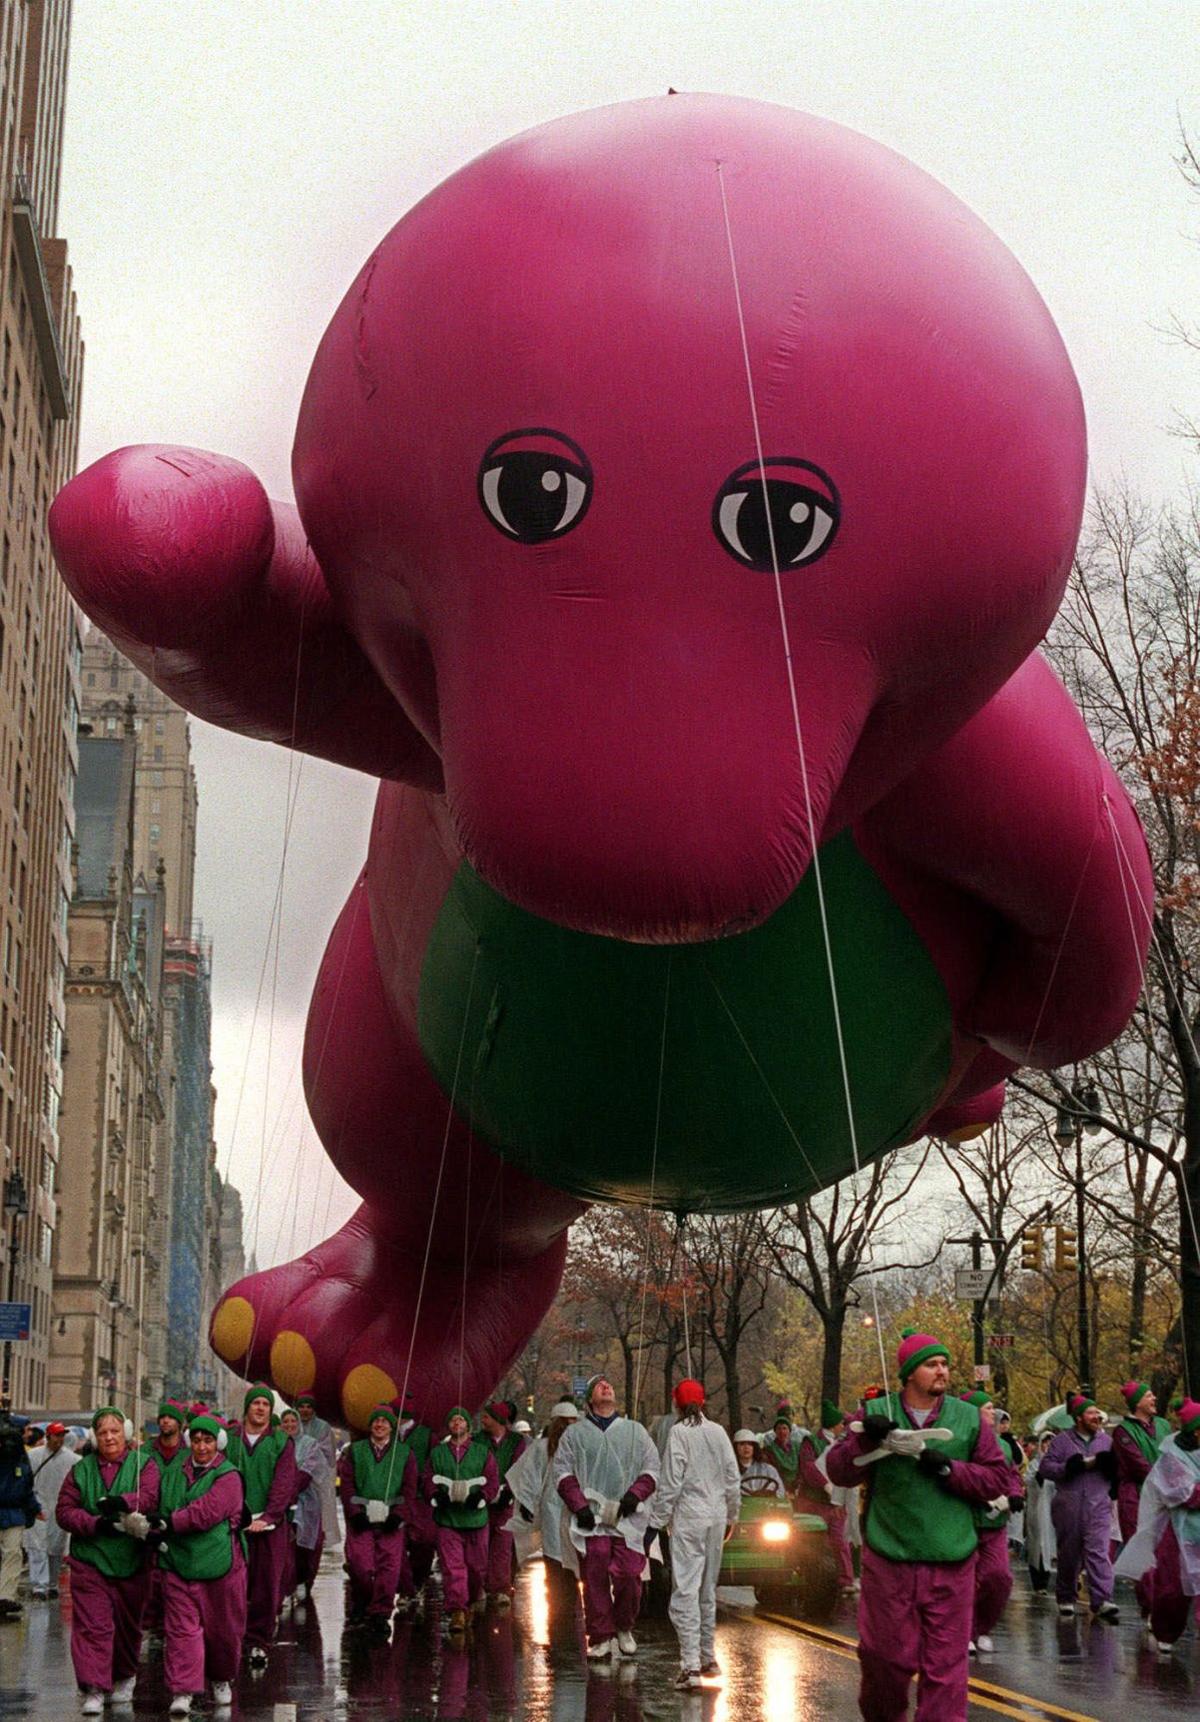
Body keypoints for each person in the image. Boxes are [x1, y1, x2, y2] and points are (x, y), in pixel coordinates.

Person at [826, 1327, 1011, 1722]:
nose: (942, 1371)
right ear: (910, 1372)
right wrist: (864, 1441)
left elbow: (998, 1479)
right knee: (884, 1660)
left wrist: (949, 1469)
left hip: (952, 1558)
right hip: (889, 1556)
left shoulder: (968, 1420)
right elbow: (838, 1471)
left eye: (945, 1363)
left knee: (946, 1669)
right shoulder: (877, 1414)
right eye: (932, 1364)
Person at [56, 1406, 159, 1714]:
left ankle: (125, 1675)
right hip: (90, 1558)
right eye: (103, 1433)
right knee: (93, 1626)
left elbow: (150, 1497)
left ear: (125, 1434)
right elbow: (65, 1511)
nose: (109, 1437)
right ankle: (94, 1686)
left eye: (115, 1431)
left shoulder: (145, 1465)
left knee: (128, 1626)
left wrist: (124, 1503)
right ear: (95, 1437)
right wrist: (93, 1523)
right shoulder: (81, 1470)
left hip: (132, 1559)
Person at [552, 1373, 659, 1662]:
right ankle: (600, 1635)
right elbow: (562, 1472)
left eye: (609, 1383)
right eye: (598, 1385)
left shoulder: (636, 1431)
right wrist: (579, 1506)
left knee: (629, 1575)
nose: (606, 1386)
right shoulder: (574, 1435)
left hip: (628, 1520)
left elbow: (652, 1469)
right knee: (595, 1574)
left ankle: (624, 1625)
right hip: (592, 1521)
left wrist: (635, 1495)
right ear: (589, 1399)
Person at [146, 1412, 246, 1716]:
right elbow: (161, 1503)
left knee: (223, 1631)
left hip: (220, 1566)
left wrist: (169, 1521)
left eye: (208, 1440)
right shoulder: (176, 1471)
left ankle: (221, 1678)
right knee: (180, 1631)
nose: (202, 1447)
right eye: (198, 1440)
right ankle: (183, 1689)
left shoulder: (229, 1476)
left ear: (219, 1443)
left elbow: (206, 1512)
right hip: (178, 1561)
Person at [651, 1379, 740, 1691]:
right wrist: (732, 1515)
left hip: (689, 1518)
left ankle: (690, 1665)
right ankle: (707, 1656)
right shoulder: (718, 1432)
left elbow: (671, 1481)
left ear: (676, 1404)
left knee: (685, 1590)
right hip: (716, 1517)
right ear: (704, 1403)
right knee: (707, 1589)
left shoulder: (679, 1433)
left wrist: (657, 1520)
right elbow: (732, 1476)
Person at [1114, 1396, 1200, 1654]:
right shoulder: (1171, 1456)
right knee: (1173, 1588)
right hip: (1179, 1531)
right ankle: (1165, 1631)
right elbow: (1182, 1493)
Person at [225, 1383, 298, 1668]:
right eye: (255, 1403)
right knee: (232, 1584)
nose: (260, 1408)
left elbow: (283, 1483)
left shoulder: (281, 1442)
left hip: (269, 1526)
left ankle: (258, 1641)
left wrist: (269, 1516)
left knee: (266, 1585)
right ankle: (231, 1638)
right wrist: (234, 1516)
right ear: (247, 1407)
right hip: (234, 1524)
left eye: (265, 1405)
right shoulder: (230, 1439)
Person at [1037, 1392, 1119, 1622]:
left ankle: (1102, 1599)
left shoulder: (1106, 1441)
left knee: (1098, 1551)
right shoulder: (1062, 1441)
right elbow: (1046, 1468)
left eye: (1097, 1413)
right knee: (1070, 1554)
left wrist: (1113, 1472)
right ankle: (1066, 1597)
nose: (1096, 1417)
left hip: (1098, 1504)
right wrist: (1073, 1466)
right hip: (1069, 1506)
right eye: (1091, 1413)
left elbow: (1118, 1469)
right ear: (1079, 1418)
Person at [338, 1403, 415, 1633]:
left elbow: (410, 1487)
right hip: (362, 1519)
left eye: (384, 1421)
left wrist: (399, 1515)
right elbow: (347, 1485)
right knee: (360, 1565)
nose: (379, 1425)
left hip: (390, 1518)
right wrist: (354, 1513)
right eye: (376, 1421)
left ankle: (380, 1613)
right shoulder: (355, 1451)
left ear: (392, 1426)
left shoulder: (404, 1454)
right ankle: (363, 1600)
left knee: (389, 1568)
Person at [957, 1390, 1022, 1654]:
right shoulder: (961, 1441)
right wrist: (979, 1495)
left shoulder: (1004, 1445)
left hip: (995, 1524)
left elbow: (1012, 1475)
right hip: (966, 1520)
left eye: (993, 1408)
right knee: (967, 1581)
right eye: (987, 1408)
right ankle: (966, 1633)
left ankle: (982, 1627)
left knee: (999, 1578)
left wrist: (1015, 1495)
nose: (993, 1413)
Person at [426, 1405, 499, 1633]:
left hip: (475, 1519)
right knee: (453, 1566)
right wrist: (435, 1495)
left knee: (476, 1568)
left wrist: (482, 1497)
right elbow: (427, 1478)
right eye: (452, 1421)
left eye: (461, 1420)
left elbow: (492, 1479)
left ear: (468, 1424)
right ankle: (457, 1609)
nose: (457, 1424)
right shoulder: (437, 1453)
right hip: (448, 1520)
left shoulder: (482, 1452)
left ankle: (473, 1597)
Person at [509, 1400, 579, 1618]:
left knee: (572, 1551)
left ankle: (569, 1597)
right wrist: (527, 1503)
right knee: (554, 1552)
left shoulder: (579, 1446)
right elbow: (529, 1476)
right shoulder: (542, 1448)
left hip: (575, 1505)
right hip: (552, 1505)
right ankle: (557, 1599)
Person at [1111, 1378, 1169, 1620]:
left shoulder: (1164, 1426)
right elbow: (1138, 1466)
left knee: (1165, 1551)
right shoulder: (1124, 1432)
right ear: (1137, 1403)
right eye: (1148, 1396)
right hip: (1136, 1496)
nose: (1154, 1399)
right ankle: (1150, 1607)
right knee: (1143, 1551)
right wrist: (1168, 1482)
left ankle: (1164, 1605)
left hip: (1165, 1496)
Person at [797, 1400, 856, 1594]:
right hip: (813, 1502)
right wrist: (826, 1485)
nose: (843, 1427)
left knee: (840, 1540)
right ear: (833, 1425)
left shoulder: (842, 1444)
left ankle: (845, 1578)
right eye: (841, 1424)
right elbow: (809, 1468)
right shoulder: (811, 1442)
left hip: (836, 1504)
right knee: (811, 1542)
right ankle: (809, 1576)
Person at [280, 1406, 331, 1603]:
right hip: (281, 1503)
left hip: (306, 1502)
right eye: (285, 1422)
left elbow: (310, 1472)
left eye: (293, 1421)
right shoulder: (277, 1444)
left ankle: (302, 1581)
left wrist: (291, 1490)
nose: (290, 1425)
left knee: (305, 1545)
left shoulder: (310, 1445)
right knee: (284, 1547)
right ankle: (285, 1585)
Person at [480, 1399, 527, 1604]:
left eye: (487, 1416)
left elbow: (519, 1466)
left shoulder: (516, 1441)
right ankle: (480, 1584)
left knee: (502, 1543)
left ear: (498, 1419)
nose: (482, 1420)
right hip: (482, 1498)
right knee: (481, 1543)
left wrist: (509, 1490)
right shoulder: (478, 1440)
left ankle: (499, 1586)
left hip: (505, 1499)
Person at [393, 1391, 436, 1606]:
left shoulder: (426, 1435)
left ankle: (418, 1580)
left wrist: (427, 1485)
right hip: (395, 1498)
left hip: (420, 1498)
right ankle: (406, 1588)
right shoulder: (388, 1433)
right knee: (397, 1543)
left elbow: (433, 1463)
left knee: (425, 1542)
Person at [25, 1421, 77, 1598]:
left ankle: (52, 1584)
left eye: (62, 1435)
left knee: (55, 1548)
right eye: (57, 1435)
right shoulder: (33, 1456)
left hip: (59, 1507)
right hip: (38, 1504)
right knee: (37, 1547)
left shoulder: (72, 1459)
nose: (60, 1439)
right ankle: (39, 1586)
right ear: (48, 1436)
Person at [0, 1411, 40, 1619]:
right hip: (13, 1513)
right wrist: (33, 1509)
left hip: (13, 1513)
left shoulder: (18, 1457)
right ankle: (4, 1597)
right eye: (27, 1429)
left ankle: (5, 1598)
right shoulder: (18, 1458)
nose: (30, 1433)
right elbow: (25, 1487)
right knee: (12, 1555)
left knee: (11, 1554)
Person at [295, 1392, 341, 1551]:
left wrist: (309, 1452)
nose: (305, 1410)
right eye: (301, 1406)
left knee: (317, 1516)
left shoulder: (323, 1427)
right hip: (296, 1480)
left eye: (308, 1407)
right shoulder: (293, 1424)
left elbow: (328, 1453)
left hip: (317, 1481)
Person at [1024, 1431, 1057, 1594]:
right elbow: (1029, 1482)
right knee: (1037, 1545)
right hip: (1037, 1511)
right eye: (1045, 1442)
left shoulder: (1056, 1464)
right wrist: (1038, 1478)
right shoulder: (1034, 1464)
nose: (1048, 1445)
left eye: (1051, 1442)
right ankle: (1038, 1580)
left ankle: (1046, 1578)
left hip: (1052, 1512)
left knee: (1049, 1545)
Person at [732, 1429, 786, 1497]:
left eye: (750, 1444)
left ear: (754, 1447)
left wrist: (768, 1493)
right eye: (742, 1444)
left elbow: (780, 1491)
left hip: (765, 1505)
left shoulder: (768, 1469)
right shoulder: (731, 1470)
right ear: (735, 1448)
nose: (746, 1447)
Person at [761, 1406, 801, 1496]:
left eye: (784, 1428)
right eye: (779, 1428)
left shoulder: (798, 1447)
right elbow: (771, 1471)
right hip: (778, 1488)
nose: (782, 1431)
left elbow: (801, 1469)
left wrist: (797, 1486)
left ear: (789, 1431)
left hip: (797, 1490)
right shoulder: (768, 1450)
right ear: (775, 1431)